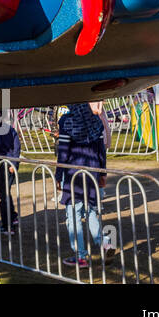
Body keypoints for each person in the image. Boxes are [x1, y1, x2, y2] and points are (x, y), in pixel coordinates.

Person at [55, 103, 107, 267]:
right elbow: (101, 151)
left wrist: (58, 175)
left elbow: (63, 152)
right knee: (91, 213)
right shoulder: (96, 122)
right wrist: (103, 173)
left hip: (73, 175)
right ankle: (107, 247)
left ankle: (81, 257)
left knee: (74, 216)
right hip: (93, 172)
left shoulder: (66, 122)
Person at [0, 115, 22, 233]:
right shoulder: (8, 128)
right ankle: (12, 217)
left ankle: (7, 226)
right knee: (6, 193)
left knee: (3, 195)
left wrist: (13, 163)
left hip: (4, 164)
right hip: (8, 163)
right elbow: (15, 145)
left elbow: (1, 144)